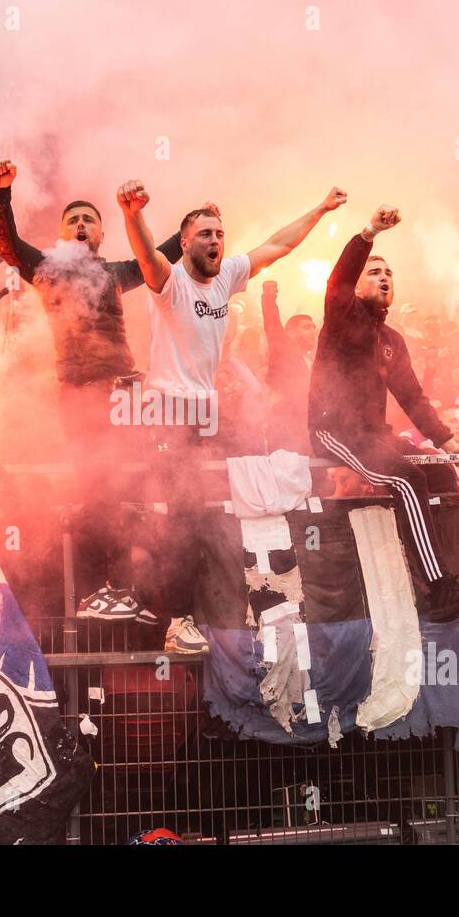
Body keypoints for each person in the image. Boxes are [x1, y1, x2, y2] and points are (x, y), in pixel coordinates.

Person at [119, 179, 350, 644]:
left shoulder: (227, 276)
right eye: (204, 234)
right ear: (184, 242)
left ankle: (180, 603)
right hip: (166, 408)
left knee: (219, 501)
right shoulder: (171, 281)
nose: (215, 241)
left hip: (206, 409)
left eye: (219, 234)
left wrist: (321, 208)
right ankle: (171, 616)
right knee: (180, 506)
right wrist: (132, 214)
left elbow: (278, 244)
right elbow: (146, 257)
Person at [0, 158, 188, 625]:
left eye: (89, 220)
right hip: (80, 394)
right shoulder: (45, 268)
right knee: (99, 487)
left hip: (127, 389)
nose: (81, 224)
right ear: (62, 234)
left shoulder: (116, 272)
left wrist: (191, 226)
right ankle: (99, 590)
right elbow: (8, 244)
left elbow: (158, 257)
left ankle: (137, 593)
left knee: (137, 487)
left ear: (100, 234)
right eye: (73, 220)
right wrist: (0, 196)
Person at [306, 202, 459, 621]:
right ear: (358, 288)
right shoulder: (341, 316)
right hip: (333, 428)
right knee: (408, 480)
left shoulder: (392, 337)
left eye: (389, 273)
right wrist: (368, 233)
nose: (385, 277)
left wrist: (445, 437)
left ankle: (457, 569)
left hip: (373, 432)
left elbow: (411, 396)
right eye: (374, 273)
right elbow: (337, 280)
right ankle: (438, 590)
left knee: (440, 472)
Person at [261, 279, 316, 452]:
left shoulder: (312, 361)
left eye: (314, 327)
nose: (313, 331)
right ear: (291, 333)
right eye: (306, 327)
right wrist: (269, 298)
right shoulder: (283, 354)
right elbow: (272, 326)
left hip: (309, 436)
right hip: (286, 435)